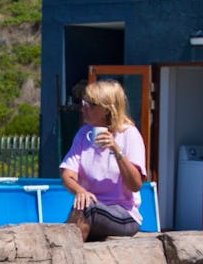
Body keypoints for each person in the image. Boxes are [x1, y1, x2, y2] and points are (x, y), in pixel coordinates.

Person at [60, 80, 146, 241]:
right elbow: (67, 175)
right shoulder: (83, 134)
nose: (83, 109)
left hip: (123, 213)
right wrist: (80, 191)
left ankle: (67, 254)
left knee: (87, 208)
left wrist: (115, 149)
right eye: (83, 104)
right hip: (90, 208)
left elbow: (135, 185)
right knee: (82, 205)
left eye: (90, 105)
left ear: (107, 109)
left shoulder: (129, 134)